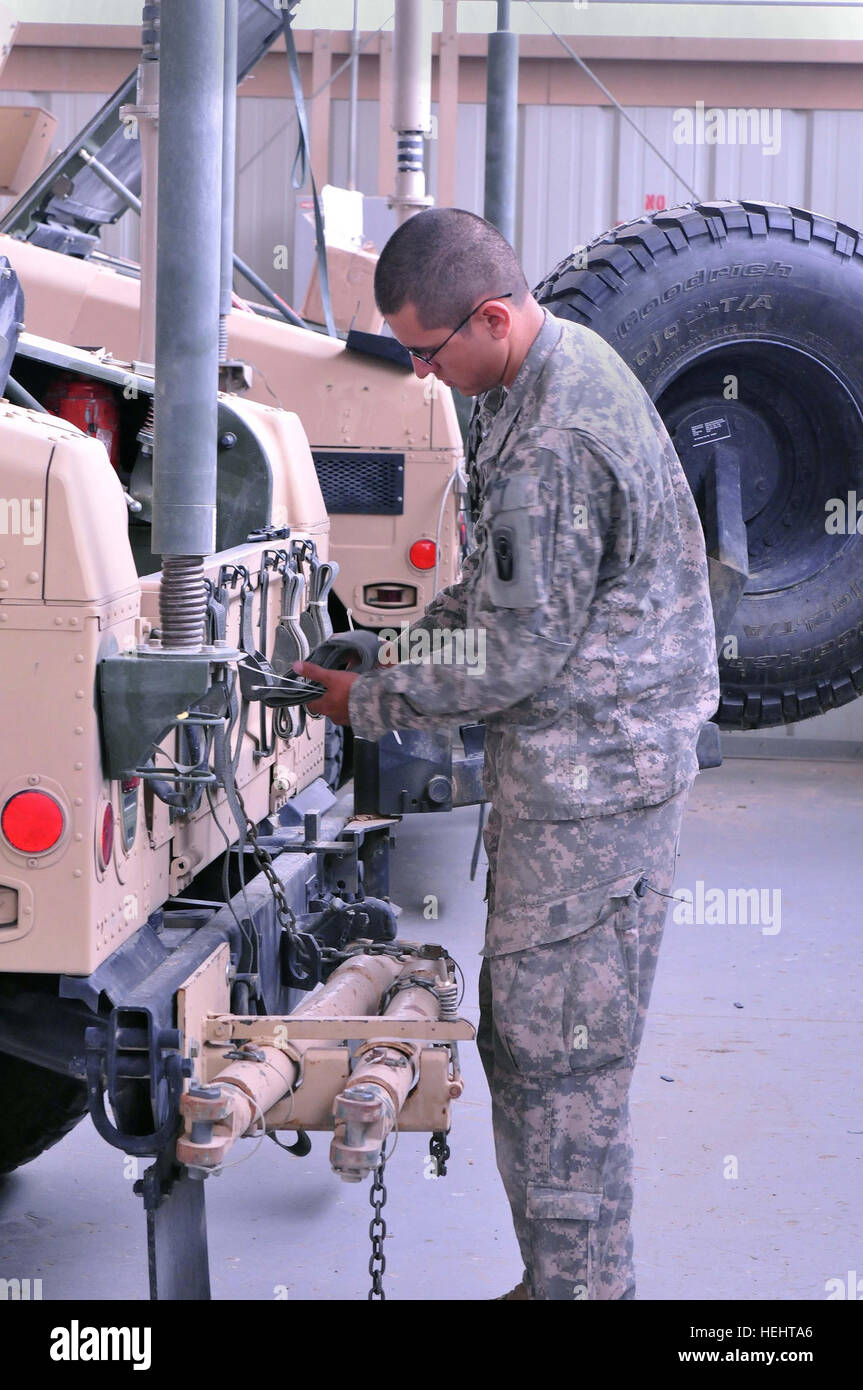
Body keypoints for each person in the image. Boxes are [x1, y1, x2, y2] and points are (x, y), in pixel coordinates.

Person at [294, 207, 720, 1300]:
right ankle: (559, 1280)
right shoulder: (527, 382)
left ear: (490, 315)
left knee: (560, 1063)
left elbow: (511, 650)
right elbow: (495, 591)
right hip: (575, 777)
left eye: (431, 355)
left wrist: (374, 698)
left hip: (595, 794)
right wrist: (391, 645)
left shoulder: (553, 439)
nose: (427, 378)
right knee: (531, 1049)